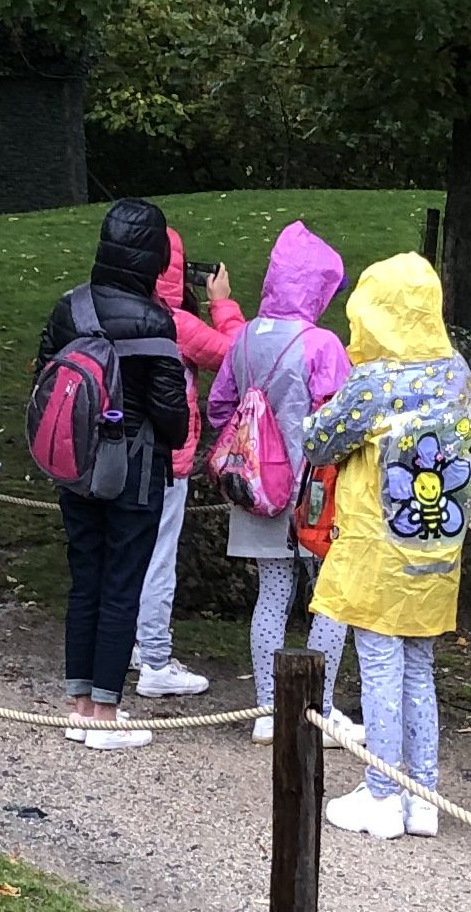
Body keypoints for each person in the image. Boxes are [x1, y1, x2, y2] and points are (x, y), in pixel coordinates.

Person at [301, 253, 471, 840]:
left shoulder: (373, 382)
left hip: (379, 544)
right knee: (419, 666)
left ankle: (382, 792)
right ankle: (421, 796)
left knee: (379, 665)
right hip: (435, 543)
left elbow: (322, 443)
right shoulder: (455, 372)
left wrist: (311, 422)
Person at [34, 199, 191, 750]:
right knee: (123, 583)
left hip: (74, 467)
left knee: (86, 579)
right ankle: (106, 711)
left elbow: (43, 383)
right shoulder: (155, 320)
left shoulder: (68, 308)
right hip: (136, 469)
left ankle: (79, 703)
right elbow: (172, 412)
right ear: (152, 258)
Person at [207, 221, 352, 741]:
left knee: (271, 594)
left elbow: (219, 405)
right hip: (313, 492)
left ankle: (270, 708)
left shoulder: (243, 337)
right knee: (328, 597)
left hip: (255, 487)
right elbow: (338, 419)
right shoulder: (322, 343)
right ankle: (318, 706)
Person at [129, 231, 243, 700]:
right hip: (166, 458)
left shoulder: (112, 310)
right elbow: (239, 356)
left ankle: (131, 643)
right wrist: (223, 305)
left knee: (126, 554)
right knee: (159, 560)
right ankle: (155, 657)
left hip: (118, 456)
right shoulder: (177, 323)